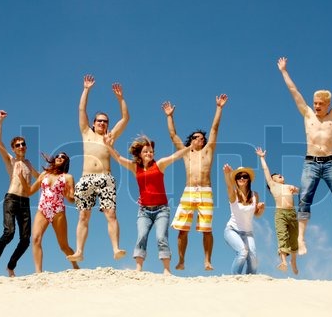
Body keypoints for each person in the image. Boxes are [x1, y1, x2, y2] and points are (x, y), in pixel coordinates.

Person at [277, 55, 332, 254]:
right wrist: (284, 71)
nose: (316, 106)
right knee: (304, 199)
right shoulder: (307, 114)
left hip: (330, 164)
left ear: (327, 104)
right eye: (315, 103)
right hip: (310, 163)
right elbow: (294, 91)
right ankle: (301, 239)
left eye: (319, 103)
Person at [105, 134, 189, 274]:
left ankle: (166, 270)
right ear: (140, 154)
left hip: (161, 210)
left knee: (161, 237)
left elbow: (176, 156)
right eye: (146, 151)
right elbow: (119, 158)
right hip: (144, 210)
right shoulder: (135, 167)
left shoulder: (159, 164)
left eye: (151, 151)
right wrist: (108, 146)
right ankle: (138, 268)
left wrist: (190, 147)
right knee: (142, 236)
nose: (149, 153)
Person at [162, 94, 228, 271]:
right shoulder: (186, 152)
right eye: (197, 137)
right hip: (189, 191)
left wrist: (219, 108)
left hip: (205, 191)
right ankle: (181, 261)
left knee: (206, 229)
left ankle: (207, 261)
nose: (201, 139)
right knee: (182, 229)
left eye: (202, 138)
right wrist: (169, 116)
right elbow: (172, 135)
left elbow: (214, 128)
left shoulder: (208, 151)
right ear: (191, 140)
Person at [69, 75, 129, 262]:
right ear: (94, 123)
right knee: (83, 215)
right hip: (86, 178)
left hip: (105, 178)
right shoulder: (86, 132)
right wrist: (86, 89)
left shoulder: (109, 137)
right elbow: (81, 109)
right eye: (99, 121)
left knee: (110, 213)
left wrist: (120, 99)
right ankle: (79, 251)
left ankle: (116, 248)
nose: (102, 123)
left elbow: (125, 118)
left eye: (105, 121)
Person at [0, 110, 39, 276]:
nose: (21, 147)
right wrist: (0, 120)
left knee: (25, 239)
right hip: (12, 199)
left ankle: (11, 266)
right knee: (9, 233)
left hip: (25, 201)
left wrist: (53, 167)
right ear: (13, 149)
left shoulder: (28, 163)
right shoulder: (11, 160)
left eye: (23, 144)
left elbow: (41, 177)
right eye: (18, 145)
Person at [19, 151, 77, 273]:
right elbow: (29, 191)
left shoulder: (68, 177)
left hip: (58, 211)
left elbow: (72, 199)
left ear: (66, 162)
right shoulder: (44, 175)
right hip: (42, 210)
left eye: (63, 157)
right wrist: (21, 178)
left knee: (64, 246)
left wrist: (68, 195)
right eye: (58, 156)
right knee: (35, 239)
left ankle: (75, 266)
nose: (60, 158)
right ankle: (38, 272)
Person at [255, 147, 300, 274]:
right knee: (282, 236)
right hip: (280, 213)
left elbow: (303, 192)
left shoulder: (289, 186)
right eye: (276, 176)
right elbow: (266, 171)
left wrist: (298, 190)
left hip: (292, 214)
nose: (279, 176)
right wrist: (262, 157)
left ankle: (293, 261)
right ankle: (284, 261)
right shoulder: (273, 186)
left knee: (294, 238)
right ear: (272, 181)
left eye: (280, 175)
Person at [223, 164, 265, 274]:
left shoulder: (255, 195)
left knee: (253, 259)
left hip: (248, 233)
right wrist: (227, 174)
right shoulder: (234, 194)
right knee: (242, 252)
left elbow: (257, 214)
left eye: (245, 176)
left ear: (248, 179)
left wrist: (261, 209)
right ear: (236, 180)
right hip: (232, 230)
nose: (242, 178)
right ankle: (235, 278)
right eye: (238, 177)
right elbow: (229, 186)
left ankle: (249, 282)